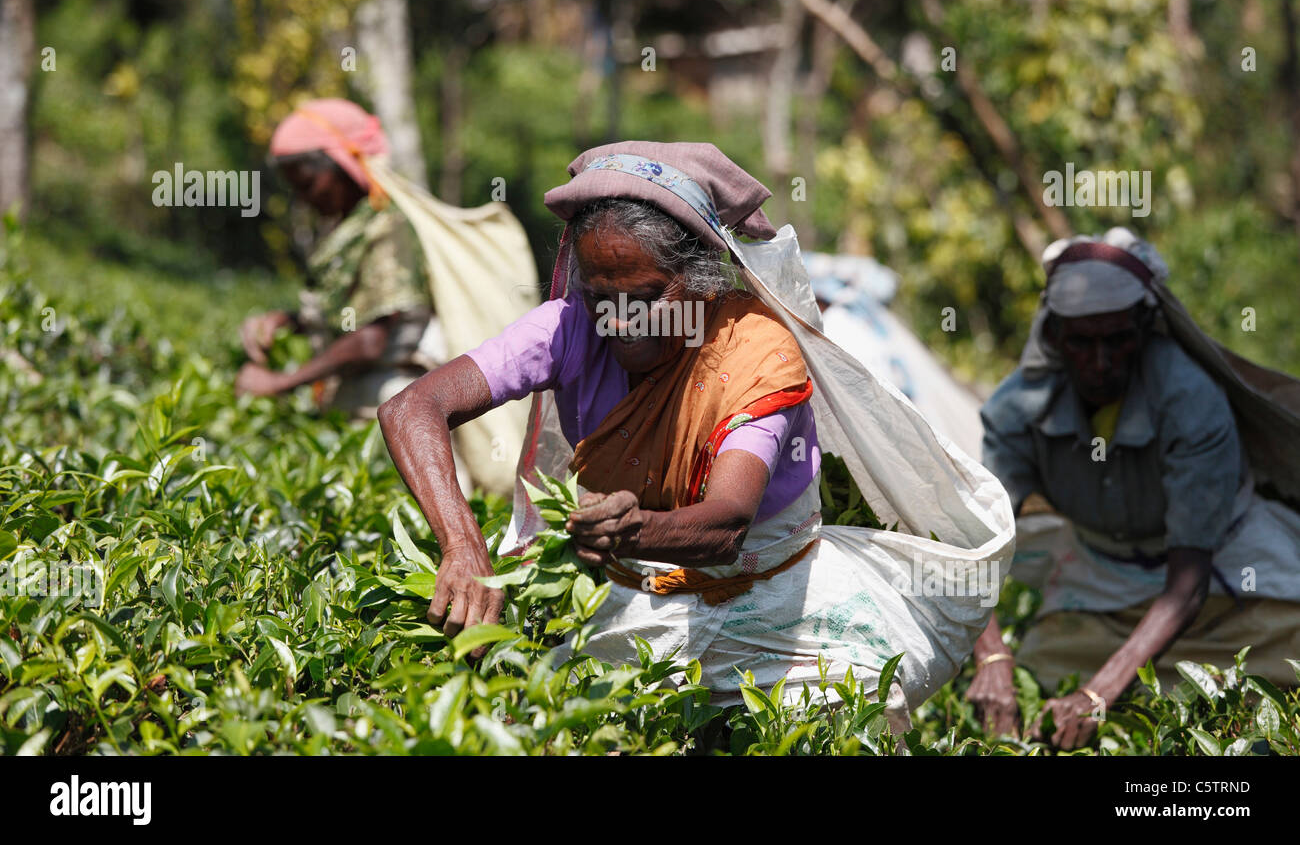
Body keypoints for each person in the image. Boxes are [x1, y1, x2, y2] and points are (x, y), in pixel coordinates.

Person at [378, 141, 1014, 719]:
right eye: (602, 298)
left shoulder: (754, 351)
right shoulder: (569, 325)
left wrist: (636, 530)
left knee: (840, 718)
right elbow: (412, 408)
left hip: (778, 602)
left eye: (645, 298)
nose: (619, 323)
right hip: (633, 599)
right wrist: (463, 546)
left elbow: (726, 524)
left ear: (703, 283)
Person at [970, 227, 1300, 749]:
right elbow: (976, 546)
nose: (1100, 363)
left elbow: (1186, 584)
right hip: (1103, 582)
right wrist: (992, 658)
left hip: (1224, 581)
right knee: (1041, 681)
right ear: (1055, 336)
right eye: (1082, 342)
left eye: (1116, 340)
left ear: (1145, 328)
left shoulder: (1191, 399)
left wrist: (1099, 693)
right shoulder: (1017, 410)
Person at [235, 98, 441, 418]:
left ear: (343, 166)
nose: (304, 199)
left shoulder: (390, 225)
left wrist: (280, 382)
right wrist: (287, 321)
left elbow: (371, 339)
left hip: (394, 405)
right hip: (355, 403)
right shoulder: (352, 228)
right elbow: (348, 315)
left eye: (307, 184)